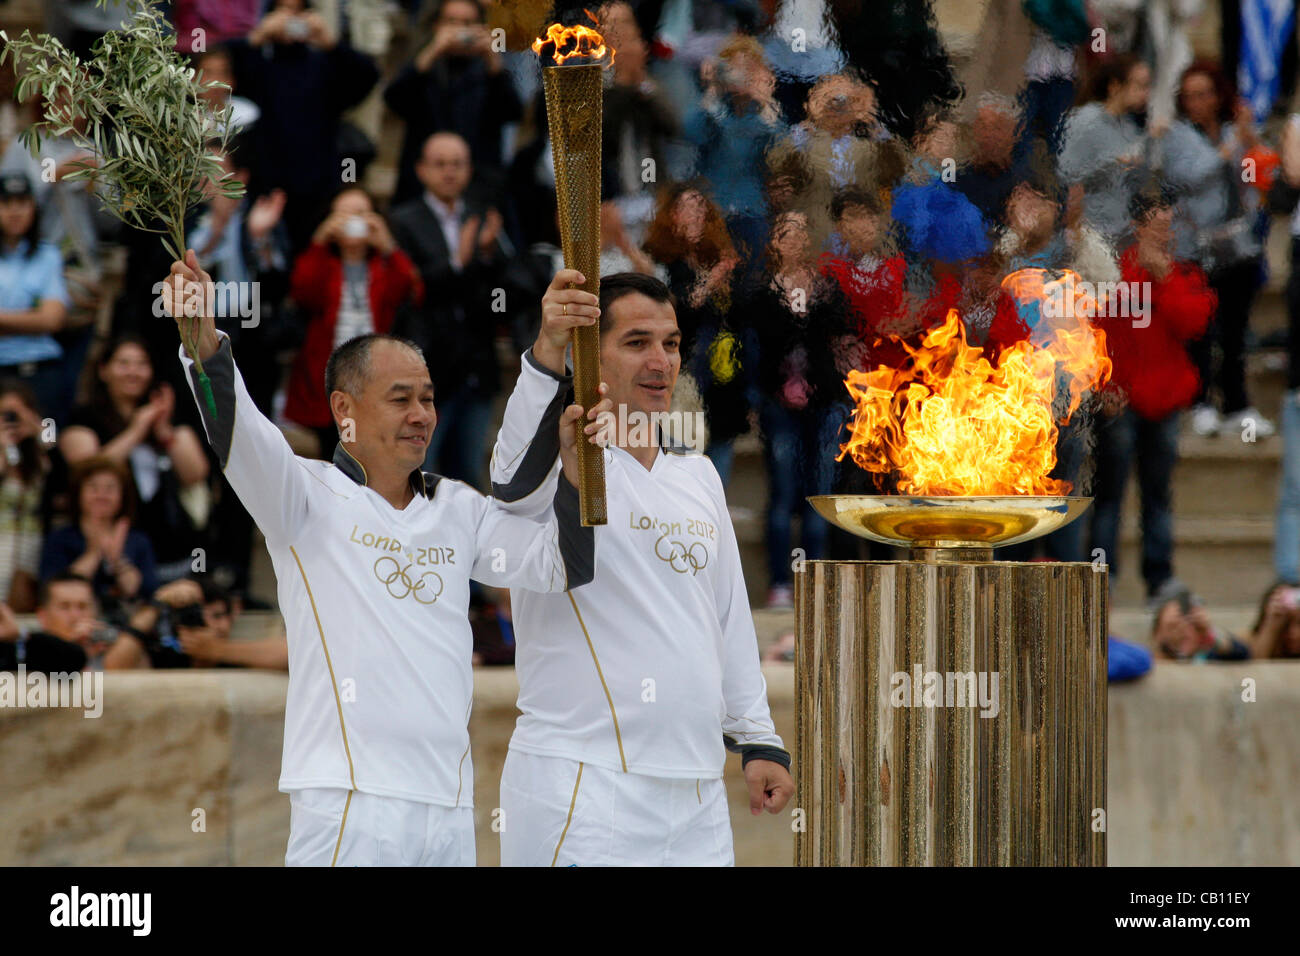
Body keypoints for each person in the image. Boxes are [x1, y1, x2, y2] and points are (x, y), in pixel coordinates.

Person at [161, 248, 603, 867]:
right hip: (347, 802)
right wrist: (202, 340)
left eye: (427, 398)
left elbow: (561, 567)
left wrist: (581, 471)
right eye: (400, 399)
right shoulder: (300, 497)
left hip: (448, 808)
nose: (422, 415)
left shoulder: (458, 508)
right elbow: (237, 429)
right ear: (344, 411)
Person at [490, 269, 794, 867]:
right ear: (587, 352)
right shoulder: (560, 466)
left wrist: (758, 738)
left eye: (671, 343)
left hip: (697, 794)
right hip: (583, 787)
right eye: (636, 343)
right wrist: (547, 349)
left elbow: (727, 618)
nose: (660, 361)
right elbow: (507, 484)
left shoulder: (698, 475)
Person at [1089, 189, 1215, 603]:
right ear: (1137, 225)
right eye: (1157, 220)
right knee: (1110, 496)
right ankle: (1100, 579)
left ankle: (1159, 579)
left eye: (1170, 221)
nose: (1166, 229)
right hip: (1121, 399)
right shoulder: (1113, 272)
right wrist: (1102, 385)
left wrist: (1163, 278)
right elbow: (1096, 330)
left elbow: (1193, 324)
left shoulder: (1184, 272)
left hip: (1165, 399)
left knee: (1157, 495)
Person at [389, 133, 509, 486]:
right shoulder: (402, 220)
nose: (449, 172)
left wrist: (486, 254)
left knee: (469, 477)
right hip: (430, 368)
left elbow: (504, 287)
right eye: (440, 164)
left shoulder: (483, 217)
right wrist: (459, 261)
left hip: (476, 366)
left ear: (469, 170)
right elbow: (410, 288)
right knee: (420, 475)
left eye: (457, 164)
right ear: (422, 170)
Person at [1171, 61, 1272, 438]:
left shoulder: (1233, 131)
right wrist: (1230, 148)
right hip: (1195, 248)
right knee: (1201, 330)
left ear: (1218, 95)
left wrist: (1249, 143)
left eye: (1204, 94)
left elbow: (1255, 175)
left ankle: (1237, 405)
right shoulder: (1178, 136)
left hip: (1238, 241)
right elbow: (1192, 178)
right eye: (1190, 96)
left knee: (1234, 330)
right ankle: (1200, 403)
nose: (1197, 102)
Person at [60, 336, 210, 584]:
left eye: (141, 364)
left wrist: (163, 432)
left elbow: (195, 473)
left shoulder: (167, 419)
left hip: (169, 547)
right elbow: (87, 471)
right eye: (124, 363)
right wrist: (137, 430)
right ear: (103, 370)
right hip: (111, 547)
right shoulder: (82, 418)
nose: (133, 372)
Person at [283, 186, 418, 462]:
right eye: (342, 215)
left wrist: (388, 245)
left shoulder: (382, 264)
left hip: (376, 374)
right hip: (329, 373)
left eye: (360, 214)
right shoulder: (323, 261)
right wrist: (319, 241)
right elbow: (303, 291)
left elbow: (411, 289)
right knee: (334, 455)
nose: (352, 222)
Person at [383, 0, 522, 206]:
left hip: (479, 187)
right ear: (436, 26)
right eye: (451, 22)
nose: (460, 30)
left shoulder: (489, 72)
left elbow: (512, 111)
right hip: (420, 188)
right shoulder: (425, 65)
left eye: (468, 23)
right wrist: (432, 51)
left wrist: (493, 59)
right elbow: (395, 101)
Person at [39, 456, 158, 614]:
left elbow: (144, 592)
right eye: (93, 488)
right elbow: (54, 590)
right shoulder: (60, 538)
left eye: (110, 489)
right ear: (79, 494)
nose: (101, 495)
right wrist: (94, 551)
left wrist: (117, 561)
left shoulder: (137, 540)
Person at [0, 172, 70, 424]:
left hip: (40, 367)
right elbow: (43, 318)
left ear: (34, 208)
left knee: (46, 441)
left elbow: (52, 320)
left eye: (22, 202)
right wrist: (32, 319)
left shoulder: (47, 255)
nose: (15, 211)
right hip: (2, 368)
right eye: (6, 202)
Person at [128, 576, 288, 670]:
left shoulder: (243, 656)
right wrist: (158, 603)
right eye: (213, 617)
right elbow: (114, 666)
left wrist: (215, 649)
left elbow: (290, 654)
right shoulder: (166, 657)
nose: (221, 626)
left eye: (222, 616)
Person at [0, 573, 146, 672]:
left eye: (82, 606)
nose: (75, 616)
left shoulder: (111, 650)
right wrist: (74, 651)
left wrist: (122, 646)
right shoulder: (25, 652)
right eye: (65, 607)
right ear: (42, 616)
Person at [0, 379, 52, 611]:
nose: (11, 421)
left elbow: (60, 471)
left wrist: (35, 428)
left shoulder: (41, 454)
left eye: (16, 414)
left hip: (32, 547)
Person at [1151, 584, 1250, 661]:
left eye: (1192, 624)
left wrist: (1209, 633)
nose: (1183, 630)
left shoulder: (1209, 659)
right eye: (1173, 626)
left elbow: (1243, 654)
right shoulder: (1147, 663)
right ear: (1157, 633)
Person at [1249, 582, 1300, 659]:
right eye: (1285, 625)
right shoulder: (1249, 640)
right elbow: (1255, 666)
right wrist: (1270, 626)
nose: (1294, 634)